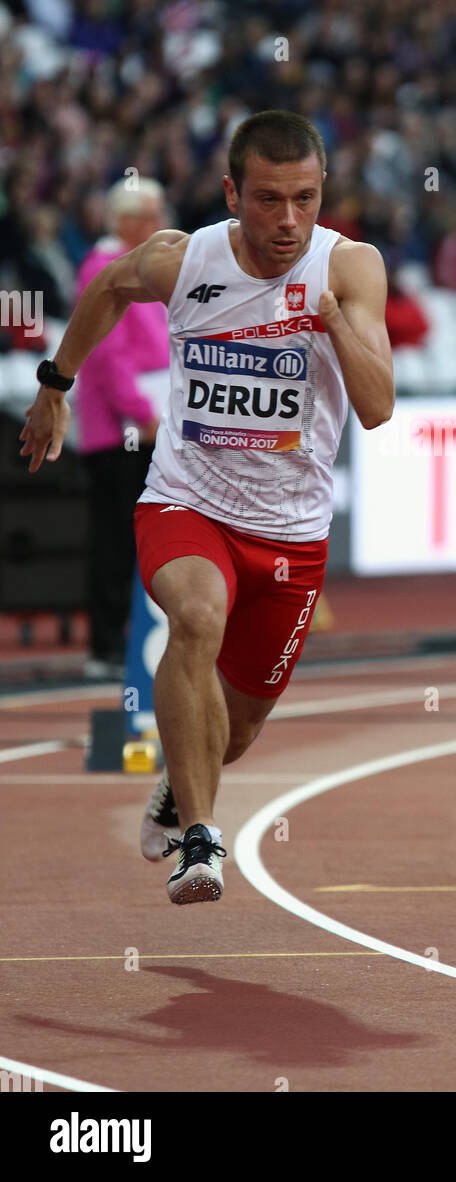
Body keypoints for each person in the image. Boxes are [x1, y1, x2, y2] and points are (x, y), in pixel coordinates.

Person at [20, 110, 394, 904]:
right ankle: (201, 837)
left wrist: (329, 320)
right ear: (232, 192)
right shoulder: (182, 258)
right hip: (186, 501)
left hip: (292, 533)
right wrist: (57, 385)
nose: (289, 220)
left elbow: (378, 407)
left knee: (241, 727)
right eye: (267, 199)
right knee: (195, 618)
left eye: (305, 198)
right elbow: (108, 289)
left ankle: (174, 785)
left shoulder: (351, 268)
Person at [76, 178, 170, 680]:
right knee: (115, 537)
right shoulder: (103, 268)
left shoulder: (142, 270)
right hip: (119, 430)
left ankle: (126, 640)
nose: (159, 223)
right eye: (151, 215)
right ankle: (107, 645)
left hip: (141, 422)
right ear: (127, 220)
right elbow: (107, 354)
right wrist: (141, 412)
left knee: (135, 537)